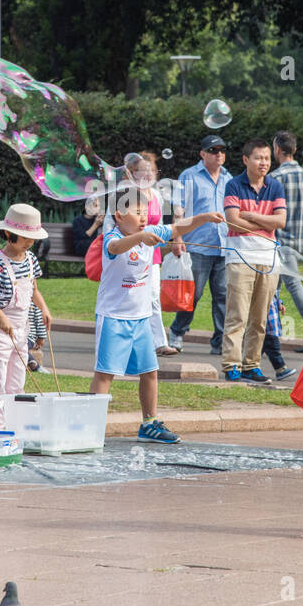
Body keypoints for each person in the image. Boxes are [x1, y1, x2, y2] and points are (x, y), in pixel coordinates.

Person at [92, 191, 224, 444]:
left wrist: (205, 217)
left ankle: (149, 424)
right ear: (119, 215)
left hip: (141, 319)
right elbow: (114, 248)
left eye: (145, 212)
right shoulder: (113, 236)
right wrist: (140, 237)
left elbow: (177, 227)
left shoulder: (150, 233)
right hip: (114, 318)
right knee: (104, 374)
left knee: (150, 372)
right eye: (137, 213)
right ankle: (91, 429)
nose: (143, 218)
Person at [0, 204, 52, 431]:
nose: (29, 243)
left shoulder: (30, 260)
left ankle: (14, 427)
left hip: (21, 329)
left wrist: (45, 309)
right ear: (9, 234)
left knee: (17, 384)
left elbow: (34, 290)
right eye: (25, 237)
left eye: (32, 238)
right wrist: (1, 317)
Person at [222, 138, 286, 383]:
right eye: (259, 158)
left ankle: (252, 365)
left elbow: (280, 221)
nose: (264, 163)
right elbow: (232, 221)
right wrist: (263, 220)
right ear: (246, 159)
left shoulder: (275, 186)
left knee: (260, 318)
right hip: (240, 257)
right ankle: (231, 365)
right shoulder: (233, 185)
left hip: (268, 260)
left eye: (267, 158)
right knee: (237, 315)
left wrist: (249, 216)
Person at [167, 136, 232, 355]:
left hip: (223, 246)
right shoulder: (189, 175)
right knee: (193, 294)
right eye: (213, 150)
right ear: (202, 154)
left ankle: (220, 340)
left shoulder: (228, 178)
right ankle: (177, 331)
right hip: (196, 245)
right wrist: (177, 237)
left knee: (223, 295)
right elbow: (179, 208)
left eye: (222, 150)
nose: (219, 154)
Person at [270, 131, 303, 352]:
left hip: (279, 241)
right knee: (273, 287)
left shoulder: (275, 178)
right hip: (299, 240)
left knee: (291, 284)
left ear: (278, 150)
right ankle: (270, 334)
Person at [124, 152, 179, 356]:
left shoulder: (156, 195)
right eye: (143, 170)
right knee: (131, 295)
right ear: (133, 173)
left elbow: (161, 224)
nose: (148, 174)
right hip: (130, 253)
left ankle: (159, 343)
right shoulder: (127, 194)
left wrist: (166, 236)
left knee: (154, 295)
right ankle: (131, 339)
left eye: (152, 170)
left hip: (152, 253)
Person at [261, 286, 297, 381]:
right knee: (273, 348)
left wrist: (280, 303)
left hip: (271, 325)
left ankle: (247, 366)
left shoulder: (272, 282)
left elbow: (275, 294)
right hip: (267, 326)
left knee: (261, 348)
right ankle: (280, 369)